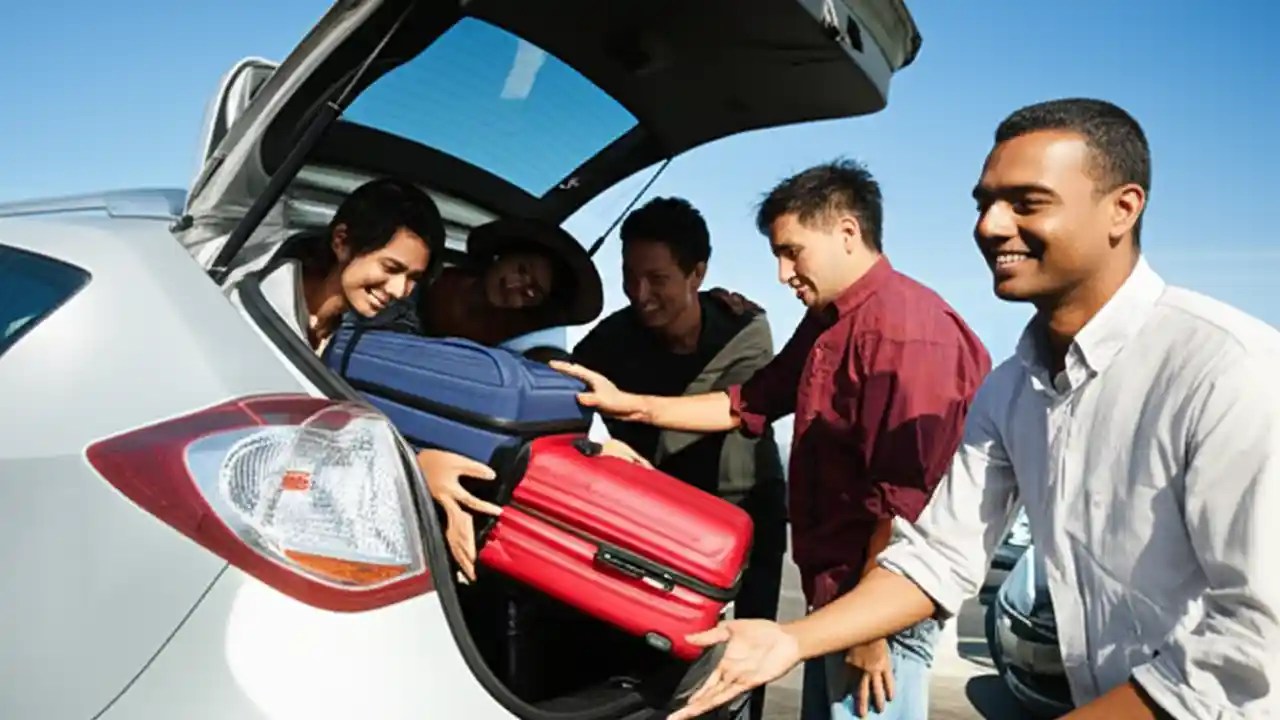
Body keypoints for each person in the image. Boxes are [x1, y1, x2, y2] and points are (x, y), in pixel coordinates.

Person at [666, 98, 1280, 720]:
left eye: (1026, 202)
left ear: (1123, 208)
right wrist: (788, 641)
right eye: (984, 203)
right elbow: (936, 557)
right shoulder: (1012, 389)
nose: (990, 225)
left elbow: (1254, 647)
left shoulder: (1229, 370)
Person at [553, 161, 991, 720]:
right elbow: (751, 401)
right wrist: (632, 405)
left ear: (847, 233)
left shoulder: (907, 333)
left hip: (875, 612)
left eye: (792, 252)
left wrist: (870, 629)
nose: (783, 273)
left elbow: (904, 503)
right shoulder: (831, 320)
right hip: (838, 600)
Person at [568, 197, 789, 720]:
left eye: (658, 279)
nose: (641, 295)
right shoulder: (613, 340)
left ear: (697, 273)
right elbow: (560, 385)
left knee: (738, 666)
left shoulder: (745, 331)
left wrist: (632, 413)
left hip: (745, 521)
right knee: (650, 666)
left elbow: (721, 414)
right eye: (629, 277)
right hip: (659, 528)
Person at [414, 217, 604, 347]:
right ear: (504, 256)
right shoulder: (430, 274)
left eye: (531, 293)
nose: (513, 286)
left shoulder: (504, 344)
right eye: (521, 270)